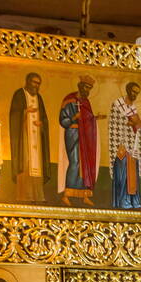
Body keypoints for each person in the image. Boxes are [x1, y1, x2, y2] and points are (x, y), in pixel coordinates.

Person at [9, 72, 51, 204]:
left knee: (37, 166)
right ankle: (25, 196)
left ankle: (38, 196)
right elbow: (13, 115)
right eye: (34, 82)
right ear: (28, 81)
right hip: (24, 138)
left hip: (37, 138)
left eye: (38, 83)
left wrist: (42, 123)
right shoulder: (19, 94)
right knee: (26, 164)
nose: (36, 86)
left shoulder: (39, 97)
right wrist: (25, 113)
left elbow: (44, 117)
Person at [58, 75, 100, 205]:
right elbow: (63, 120)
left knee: (85, 164)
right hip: (73, 133)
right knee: (75, 162)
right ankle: (67, 194)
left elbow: (87, 119)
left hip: (85, 137)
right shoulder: (69, 100)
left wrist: (94, 118)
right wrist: (73, 118)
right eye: (86, 87)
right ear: (80, 86)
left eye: (90, 88)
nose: (87, 90)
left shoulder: (86, 102)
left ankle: (85, 195)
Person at [109, 82, 141, 210]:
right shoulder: (117, 105)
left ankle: (133, 201)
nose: (135, 95)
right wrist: (129, 122)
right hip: (121, 146)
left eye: (137, 93)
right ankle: (122, 201)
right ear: (127, 90)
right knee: (122, 175)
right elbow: (115, 124)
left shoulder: (133, 108)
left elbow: (138, 126)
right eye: (133, 92)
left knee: (133, 175)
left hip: (133, 146)